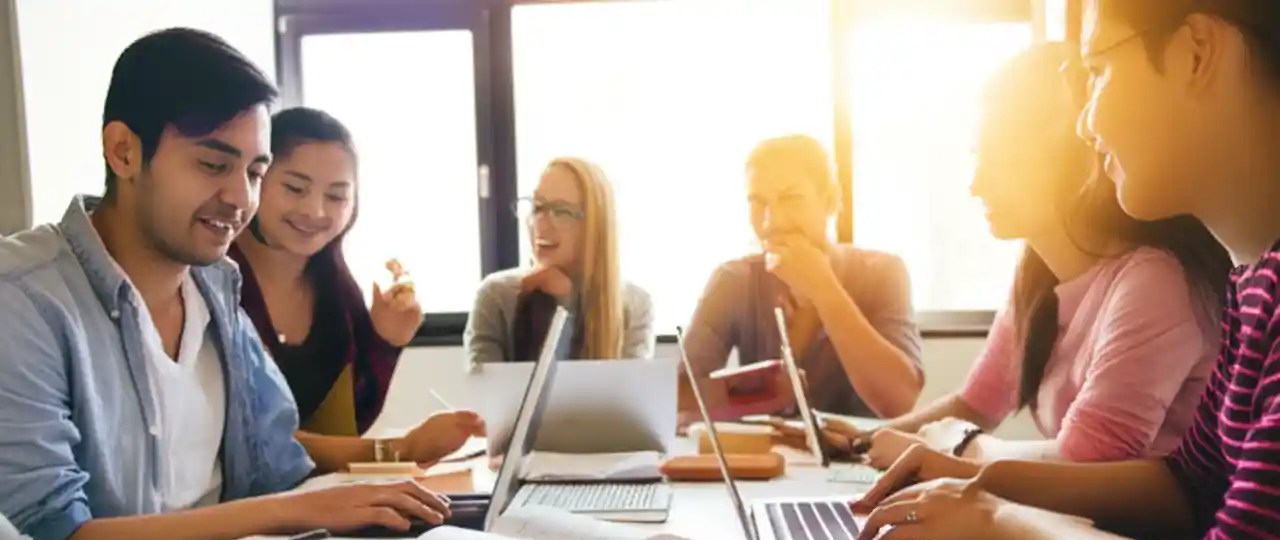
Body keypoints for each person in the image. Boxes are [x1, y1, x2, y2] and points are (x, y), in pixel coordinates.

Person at [856, 4, 1280, 540]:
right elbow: (1189, 481)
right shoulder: (1254, 282)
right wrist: (980, 480)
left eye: (1098, 70)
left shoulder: (1182, 279)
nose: (1084, 123)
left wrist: (1001, 520)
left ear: (1197, 52)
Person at [0, 29, 452, 540]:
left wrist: (377, 492)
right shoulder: (23, 299)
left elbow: (280, 466)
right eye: (213, 164)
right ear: (123, 152)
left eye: (255, 173)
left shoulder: (216, 288)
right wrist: (289, 512)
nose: (240, 199)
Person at [855, 43, 1229, 470]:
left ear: (1073, 154)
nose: (976, 185)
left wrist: (951, 449)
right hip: (1080, 527)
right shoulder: (1034, 275)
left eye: (999, 158)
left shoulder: (1156, 281)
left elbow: (1089, 457)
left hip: (1149, 534)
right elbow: (976, 404)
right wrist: (862, 440)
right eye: (979, 157)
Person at [230, 107, 483, 466]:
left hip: (315, 501)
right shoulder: (215, 279)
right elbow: (251, 438)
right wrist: (400, 451)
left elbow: (346, 428)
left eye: (336, 196)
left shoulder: (334, 284)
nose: (315, 211)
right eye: (294, 188)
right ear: (256, 179)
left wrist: (384, 341)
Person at [682, 135, 923, 419]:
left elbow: (899, 401)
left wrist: (823, 288)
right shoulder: (734, 280)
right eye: (758, 203)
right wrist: (764, 390)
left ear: (829, 201)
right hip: (768, 458)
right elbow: (681, 397)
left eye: (791, 199)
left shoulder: (881, 273)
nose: (772, 222)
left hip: (864, 457)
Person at [464, 157, 654, 366]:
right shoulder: (496, 295)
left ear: (594, 225)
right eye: (537, 207)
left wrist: (566, 304)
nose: (541, 225)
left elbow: (624, 395)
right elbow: (485, 393)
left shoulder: (635, 305)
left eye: (561, 211)